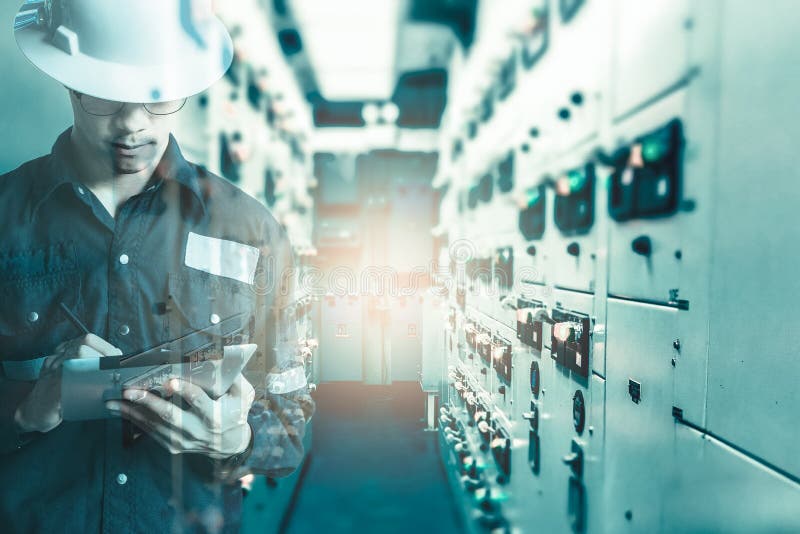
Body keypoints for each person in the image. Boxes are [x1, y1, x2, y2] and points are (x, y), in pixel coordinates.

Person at [0, 1, 314, 532]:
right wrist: (24, 410)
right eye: (104, 94)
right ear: (68, 79)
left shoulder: (251, 230)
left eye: (158, 96)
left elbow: (289, 422)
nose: (132, 123)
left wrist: (237, 439)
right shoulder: (6, 219)